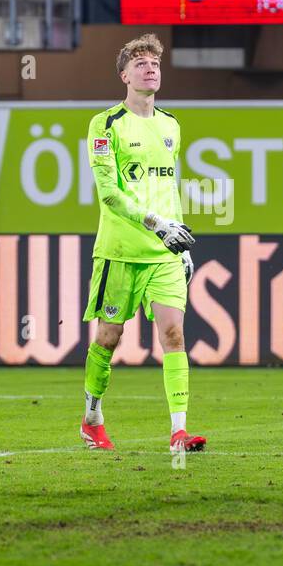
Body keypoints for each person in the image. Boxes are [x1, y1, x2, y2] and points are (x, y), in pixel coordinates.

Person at [80, 33, 204, 455]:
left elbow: (170, 188)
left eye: (155, 64)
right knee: (109, 338)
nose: (151, 69)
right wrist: (157, 223)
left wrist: (180, 240)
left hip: (164, 252)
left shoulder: (171, 124)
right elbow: (109, 194)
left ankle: (179, 433)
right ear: (124, 75)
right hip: (120, 251)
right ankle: (92, 416)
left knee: (173, 334)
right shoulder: (105, 124)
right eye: (141, 64)